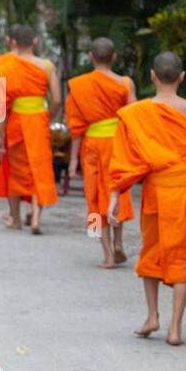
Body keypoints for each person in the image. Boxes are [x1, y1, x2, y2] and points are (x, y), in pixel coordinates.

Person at [108, 51, 186, 345]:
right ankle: (175, 327)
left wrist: (114, 196)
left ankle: (152, 315)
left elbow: (123, 158)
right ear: (182, 77)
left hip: (156, 190)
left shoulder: (136, 113)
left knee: (152, 249)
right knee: (183, 254)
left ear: (151, 76)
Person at [66, 37, 136, 267]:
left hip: (93, 146)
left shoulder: (78, 85)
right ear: (114, 57)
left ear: (90, 57)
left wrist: (73, 161)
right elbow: (134, 118)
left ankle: (105, 253)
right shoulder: (125, 83)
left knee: (94, 198)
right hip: (118, 144)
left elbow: (76, 128)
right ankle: (118, 244)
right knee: (118, 193)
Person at [0, 24, 59, 233]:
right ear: (35, 41)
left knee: (15, 170)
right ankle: (36, 218)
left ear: (13, 42)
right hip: (38, 119)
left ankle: (16, 219)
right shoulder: (46, 66)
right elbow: (56, 99)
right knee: (40, 167)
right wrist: (47, 115)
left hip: (16, 121)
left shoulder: (4, 66)